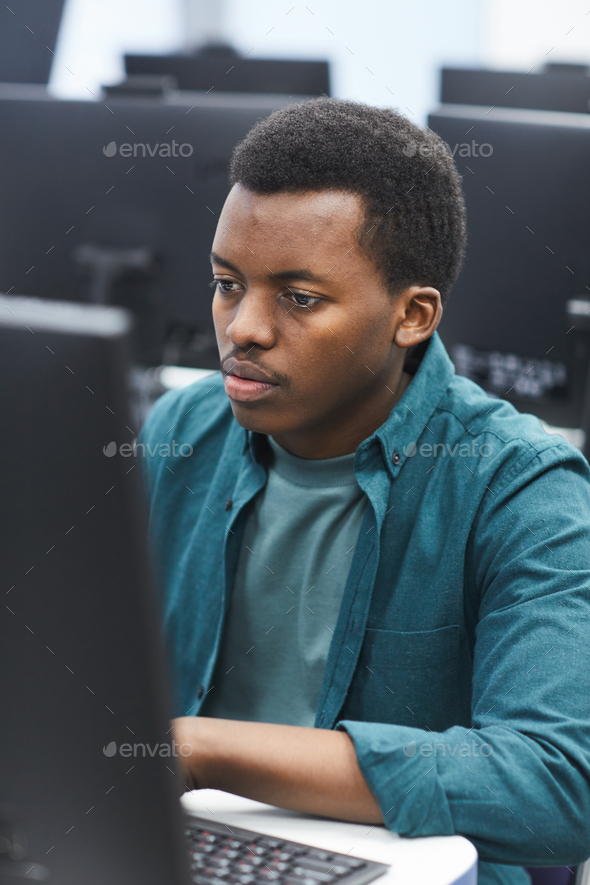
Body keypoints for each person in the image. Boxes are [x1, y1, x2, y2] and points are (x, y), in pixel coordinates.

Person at [139, 98, 590, 885]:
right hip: (193, 851)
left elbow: (556, 780)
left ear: (411, 315)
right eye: (226, 283)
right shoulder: (182, 430)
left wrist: (204, 748)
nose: (243, 327)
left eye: (299, 297)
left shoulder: (520, 485)